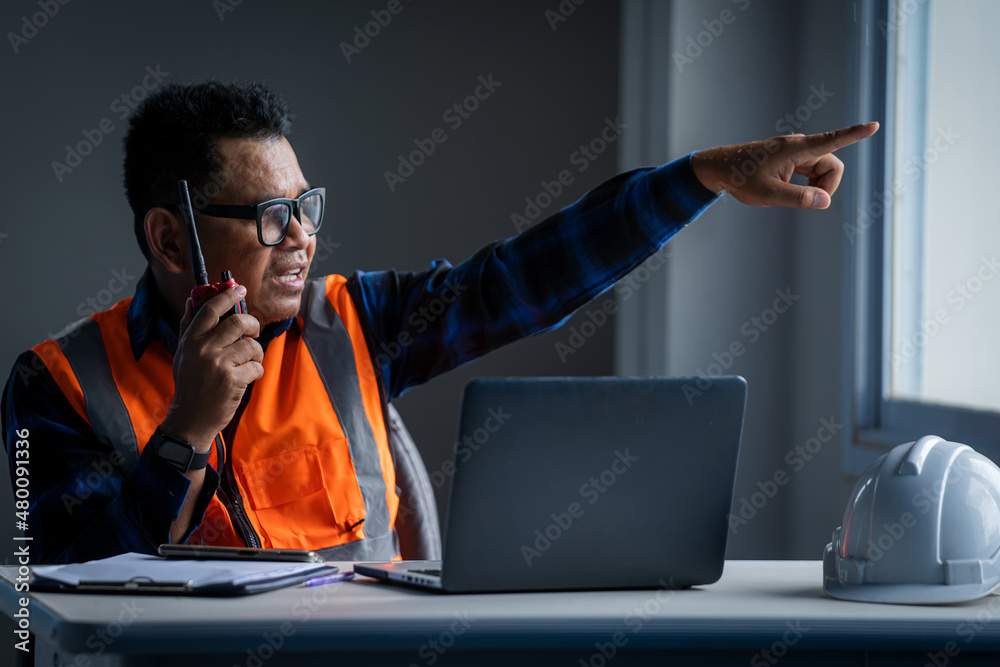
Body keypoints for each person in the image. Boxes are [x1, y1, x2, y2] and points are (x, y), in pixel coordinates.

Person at [1, 81, 877, 564]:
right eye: (270, 215)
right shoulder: (53, 384)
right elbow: (45, 611)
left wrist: (701, 177)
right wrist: (185, 433)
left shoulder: (353, 323)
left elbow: (524, 279)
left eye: (307, 205)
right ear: (169, 238)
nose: (304, 235)